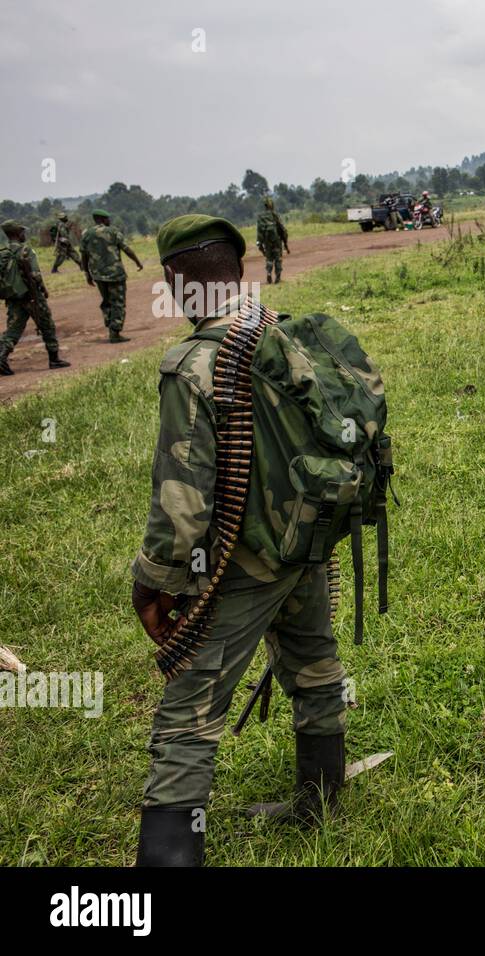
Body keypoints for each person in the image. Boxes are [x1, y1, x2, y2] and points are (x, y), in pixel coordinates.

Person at [132, 214, 348, 867]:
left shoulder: (195, 365)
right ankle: (321, 802)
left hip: (244, 561)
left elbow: (182, 502)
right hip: (304, 543)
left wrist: (155, 581)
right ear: (241, 269)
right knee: (313, 665)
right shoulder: (285, 334)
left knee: (187, 715)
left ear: (175, 281)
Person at [0, 220, 70, 375]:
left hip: (14, 297)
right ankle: (54, 359)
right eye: (22, 231)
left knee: (13, 330)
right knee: (47, 326)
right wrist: (43, 290)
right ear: (17, 234)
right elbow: (36, 275)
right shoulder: (26, 250)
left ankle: (1, 357)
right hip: (32, 296)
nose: (24, 234)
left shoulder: (3, 253)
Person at [80, 209, 143, 343]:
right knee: (118, 303)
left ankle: (110, 326)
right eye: (108, 219)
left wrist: (87, 273)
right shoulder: (113, 232)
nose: (109, 221)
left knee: (106, 302)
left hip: (98, 275)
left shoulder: (87, 234)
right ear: (103, 219)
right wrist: (137, 262)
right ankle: (114, 332)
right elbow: (126, 249)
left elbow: (83, 256)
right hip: (115, 274)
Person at [255, 197, 289, 284]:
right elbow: (282, 229)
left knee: (269, 258)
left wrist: (260, 243)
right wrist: (285, 242)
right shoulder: (275, 215)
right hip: (276, 240)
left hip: (267, 241)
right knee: (278, 258)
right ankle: (278, 277)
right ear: (272, 205)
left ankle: (269, 273)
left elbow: (259, 231)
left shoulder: (260, 217)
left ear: (265, 206)